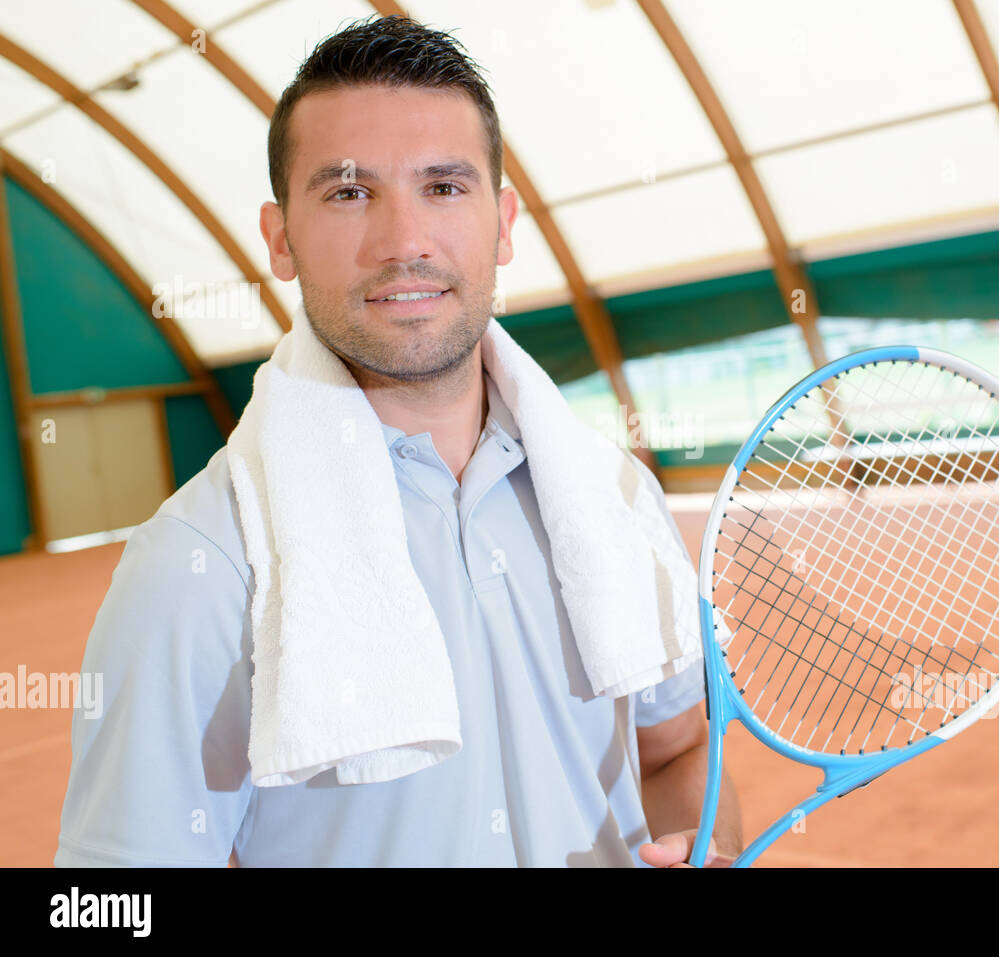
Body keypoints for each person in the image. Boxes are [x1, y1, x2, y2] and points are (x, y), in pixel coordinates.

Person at [54, 14, 740, 868]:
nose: (403, 242)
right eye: (349, 193)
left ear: (504, 223)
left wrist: (706, 846)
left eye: (444, 187)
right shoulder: (198, 564)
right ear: (280, 240)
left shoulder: (615, 496)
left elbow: (675, 751)